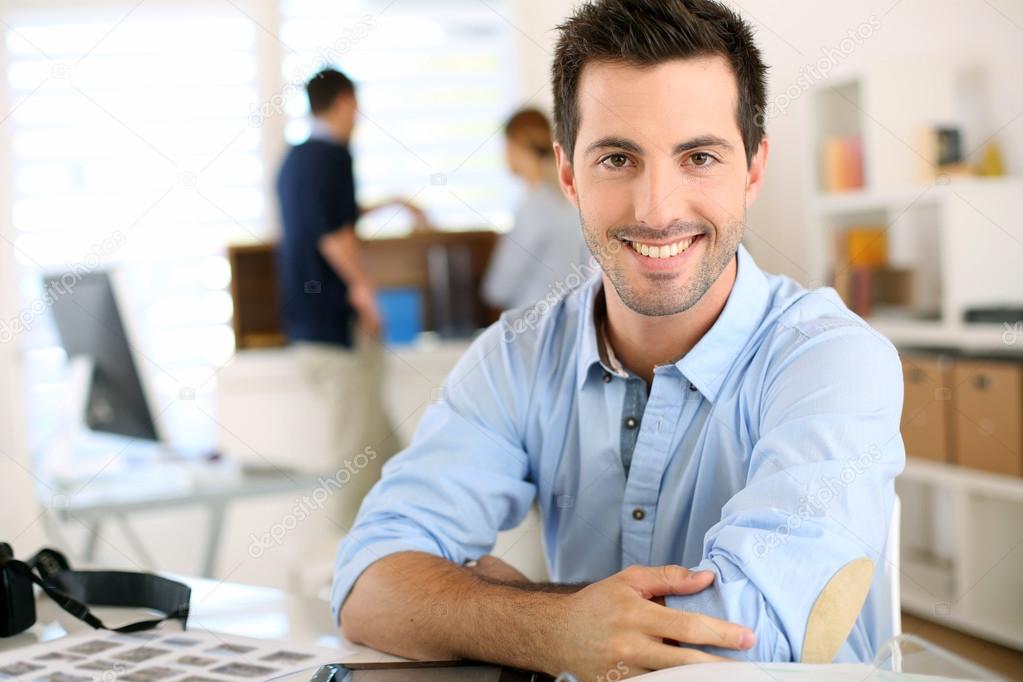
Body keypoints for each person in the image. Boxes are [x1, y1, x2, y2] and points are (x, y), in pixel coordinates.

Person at [330, 1, 905, 679]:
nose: (656, 210)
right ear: (568, 175)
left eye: (698, 157)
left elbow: (749, 639)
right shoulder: (516, 357)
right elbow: (368, 580)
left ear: (752, 170)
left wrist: (518, 609)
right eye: (616, 158)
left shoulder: (832, 360)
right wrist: (554, 627)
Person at [275, 68, 423, 526]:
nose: (358, 117)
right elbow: (334, 235)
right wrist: (365, 292)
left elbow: (328, 215)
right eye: (356, 107)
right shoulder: (333, 156)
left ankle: (405, 541)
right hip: (337, 329)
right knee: (359, 458)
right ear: (342, 103)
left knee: (383, 450)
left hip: (307, 327)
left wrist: (391, 203)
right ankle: (345, 549)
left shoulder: (296, 160)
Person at [482, 108, 590, 310]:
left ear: (516, 146)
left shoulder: (534, 206)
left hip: (534, 320)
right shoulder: (568, 195)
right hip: (573, 314)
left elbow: (500, 287)